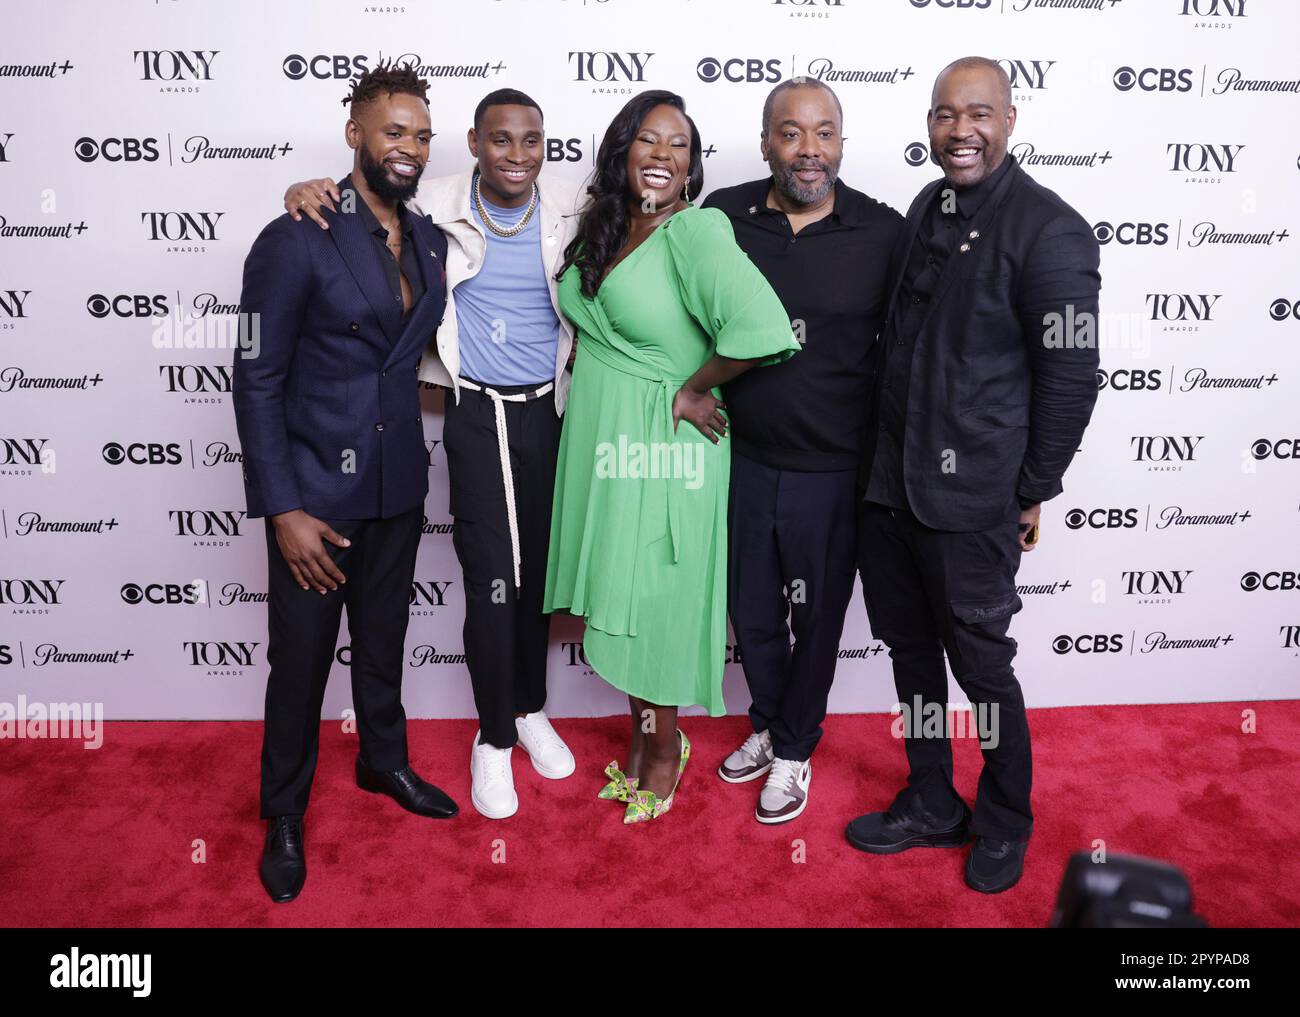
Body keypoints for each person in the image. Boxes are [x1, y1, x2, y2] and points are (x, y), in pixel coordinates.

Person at [280, 89, 581, 820]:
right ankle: (494, 735)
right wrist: (303, 186)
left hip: (554, 408)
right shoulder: (435, 200)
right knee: (492, 578)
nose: (517, 154)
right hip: (475, 408)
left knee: (537, 574)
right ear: (473, 143)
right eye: (501, 140)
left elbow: (652, 204)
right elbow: (365, 195)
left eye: (532, 140)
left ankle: (532, 705)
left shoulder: (572, 202)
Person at [847, 57, 1101, 893]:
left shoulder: (1051, 230)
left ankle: (1003, 818)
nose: (961, 130)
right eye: (946, 115)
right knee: (913, 658)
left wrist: (1028, 489)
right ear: (929, 124)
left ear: (1011, 119)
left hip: (971, 499)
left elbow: (1070, 376)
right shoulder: (929, 205)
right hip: (889, 488)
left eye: (979, 113)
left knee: (982, 671)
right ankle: (930, 796)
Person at [233, 63, 458, 904]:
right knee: (299, 661)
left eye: (423, 134)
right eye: (394, 130)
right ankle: (283, 812)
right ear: (356, 134)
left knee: (386, 639)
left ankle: (382, 761)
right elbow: (255, 377)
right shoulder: (294, 236)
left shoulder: (428, 238)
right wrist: (284, 507)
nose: (410, 147)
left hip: (399, 484)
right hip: (316, 499)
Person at [546, 90, 800, 824]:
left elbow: (760, 326)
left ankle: (664, 749)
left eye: (679, 145)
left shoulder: (695, 230)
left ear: (693, 165)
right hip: (603, 439)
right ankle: (642, 740)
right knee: (620, 594)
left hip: (662, 444)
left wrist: (694, 388)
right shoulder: (607, 222)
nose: (662, 155)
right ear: (622, 150)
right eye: (648, 140)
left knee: (651, 601)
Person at [704, 78, 902, 824]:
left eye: (824, 133)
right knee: (751, 612)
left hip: (834, 470)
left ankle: (794, 749)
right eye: (791, 132)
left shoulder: (883, 232)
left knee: (815, 620)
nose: (808, 149)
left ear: (842, 144)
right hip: (741, 459)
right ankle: (767, 721)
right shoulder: (722, 215)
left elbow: (914, 346)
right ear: (765, 143)